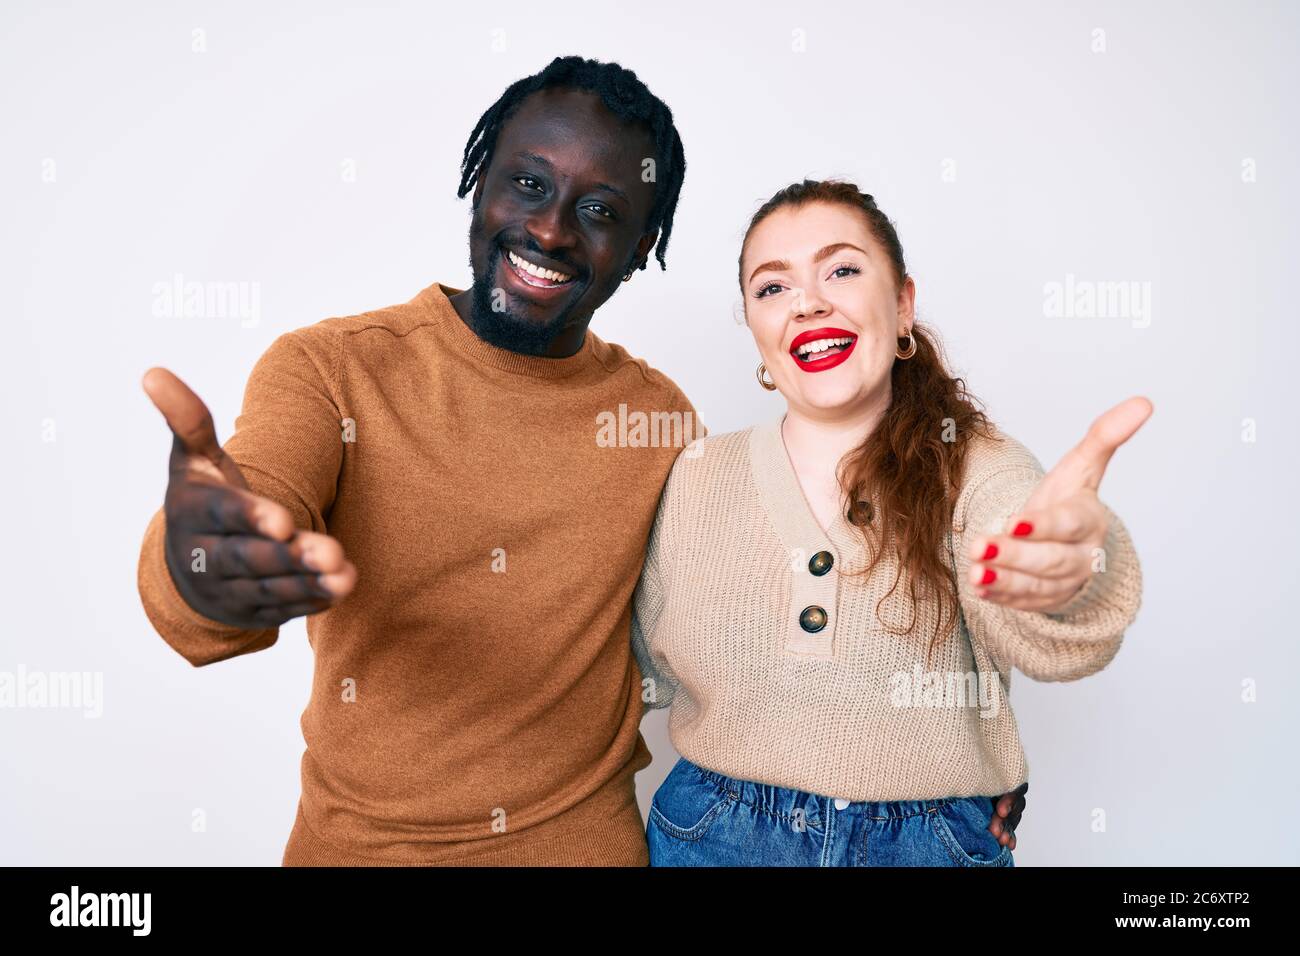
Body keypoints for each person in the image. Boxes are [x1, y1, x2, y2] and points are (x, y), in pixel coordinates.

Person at [136, 56, 1027, 866]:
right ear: (477, 185)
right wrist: (209, 559)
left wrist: (957, 767)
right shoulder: (332, 369)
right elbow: (247, 516)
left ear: (641, 250)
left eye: (600, 212)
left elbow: (747, 626)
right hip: (356, 848)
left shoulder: (659, 423)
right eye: (526, 184)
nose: (552, 230)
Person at [632, 179, 1149, 866]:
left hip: (926, 845)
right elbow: (626, 678)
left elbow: (1030, 553)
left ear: (903, 304)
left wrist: (1066, 571)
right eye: (772, 288)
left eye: (842, 270)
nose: (809, 302)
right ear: (754, 328)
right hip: (712, 837)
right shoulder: (695, 475)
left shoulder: (978, 465)